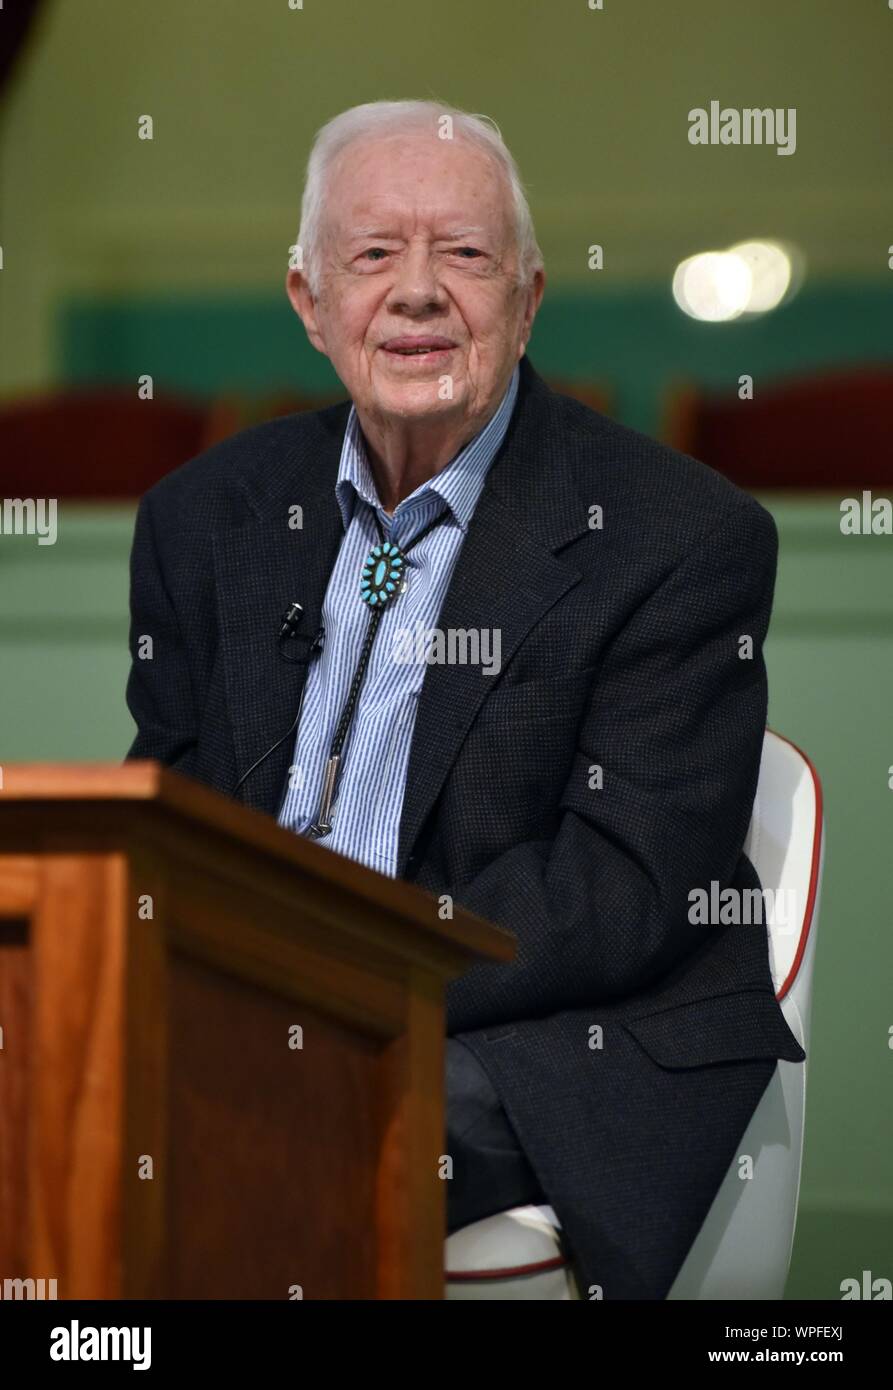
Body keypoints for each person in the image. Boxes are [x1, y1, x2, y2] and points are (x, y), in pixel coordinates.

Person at [125, 99, 806, 1299]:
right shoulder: (203, 517)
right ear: (309, 300)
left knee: (268, 1124)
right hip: (247, 999)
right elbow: (173, 809)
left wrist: (334, 973)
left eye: (466, 254)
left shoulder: (675, 535)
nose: (419, 291)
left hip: (534, 1026)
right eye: (374, 254)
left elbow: (624, 889)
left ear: (529, 298)